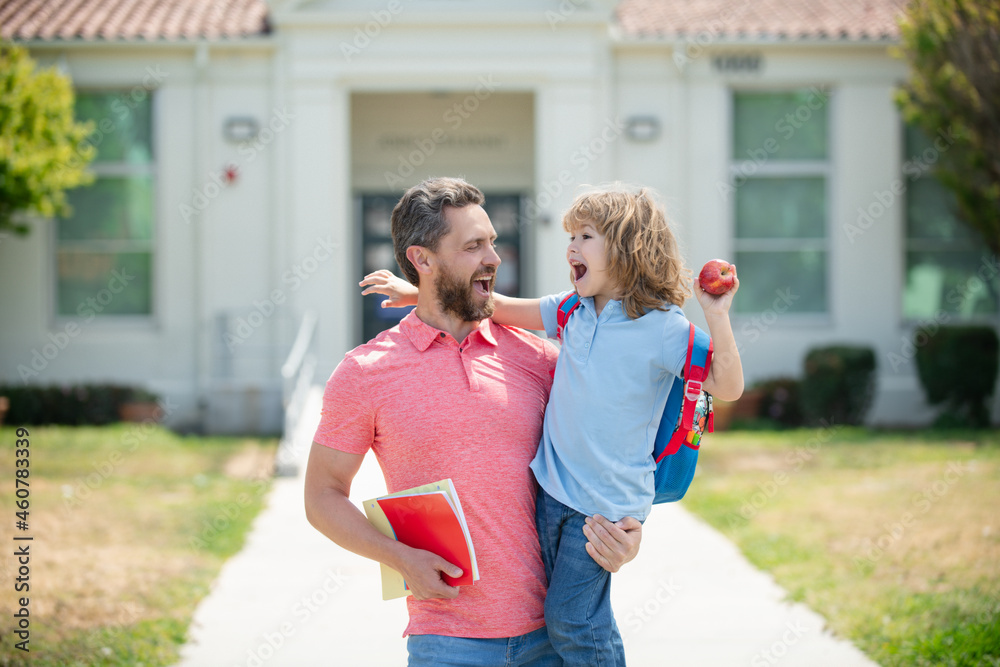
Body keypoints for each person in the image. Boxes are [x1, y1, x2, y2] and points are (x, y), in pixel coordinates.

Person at [363, 183, 745, 666]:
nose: (570, 247)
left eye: (584, 236)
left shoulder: (664, 327)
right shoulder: (572, 311)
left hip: (604, 507)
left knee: (574, 621)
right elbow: (497, 307)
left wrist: (717, 318)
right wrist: (422, 288)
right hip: (553, 492)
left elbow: (726, 386)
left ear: (627, 247)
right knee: (555, 614)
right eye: (570, 237)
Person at [304, 176, 642, 667]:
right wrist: (399, 558)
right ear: (422, 260)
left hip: (555, 637)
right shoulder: (365, 374)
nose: (494, 258)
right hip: (446, 640)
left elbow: (603, 457)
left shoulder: (543, 359)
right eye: (473, 246)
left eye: (493, 242)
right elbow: (321, 496)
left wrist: (626, 535)